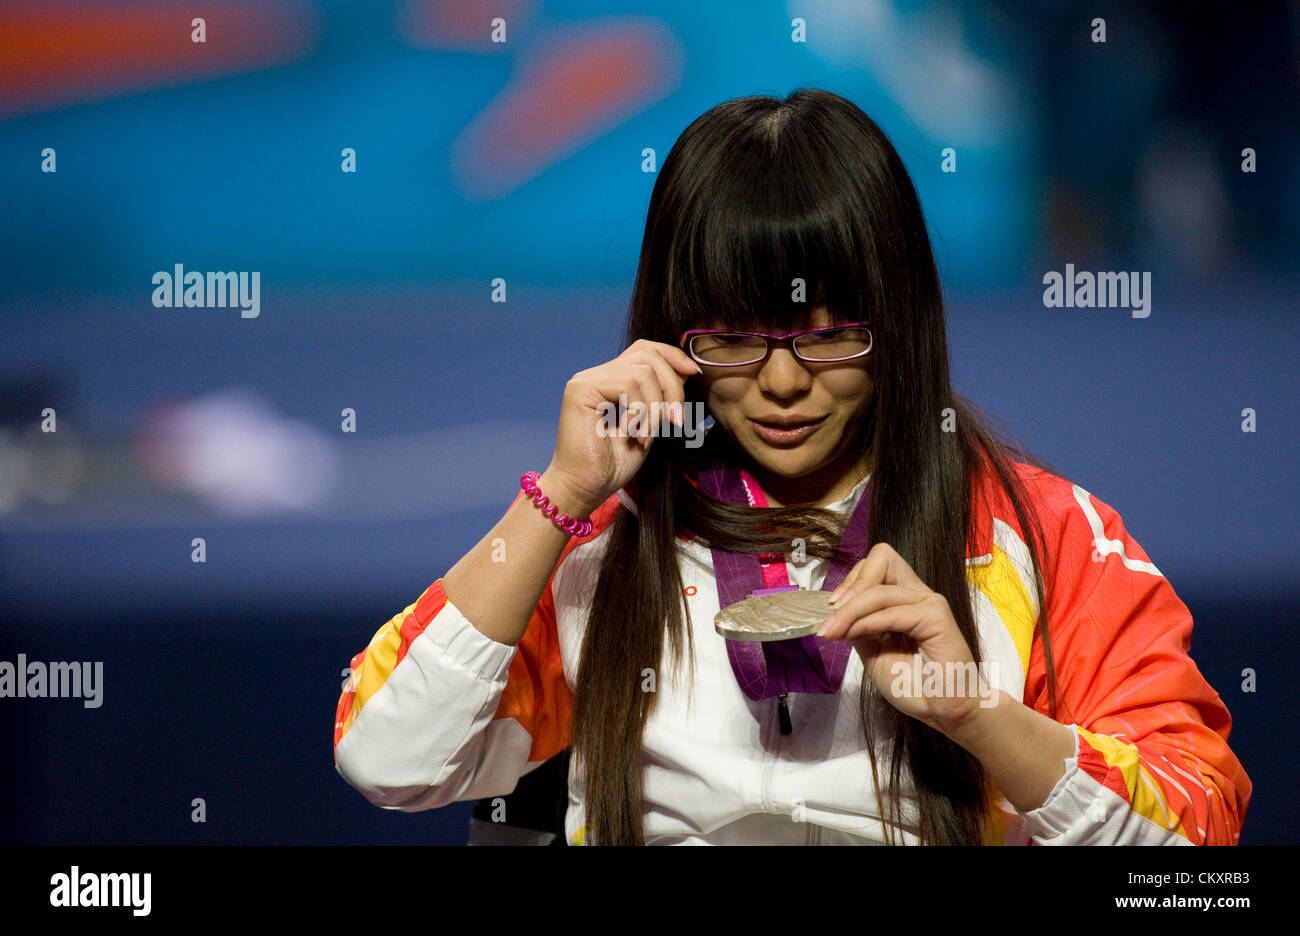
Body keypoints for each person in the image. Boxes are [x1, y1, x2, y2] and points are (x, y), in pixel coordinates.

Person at [332, 88, 1251, 846]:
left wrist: (977, 717)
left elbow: (1196, 851)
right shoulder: (591, 546)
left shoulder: (1046, 539)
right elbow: (388, 759)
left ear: (900, 325)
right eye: (732, 338)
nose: (780, 384)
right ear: (668, 332)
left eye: (830, 338)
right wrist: (562, 494)